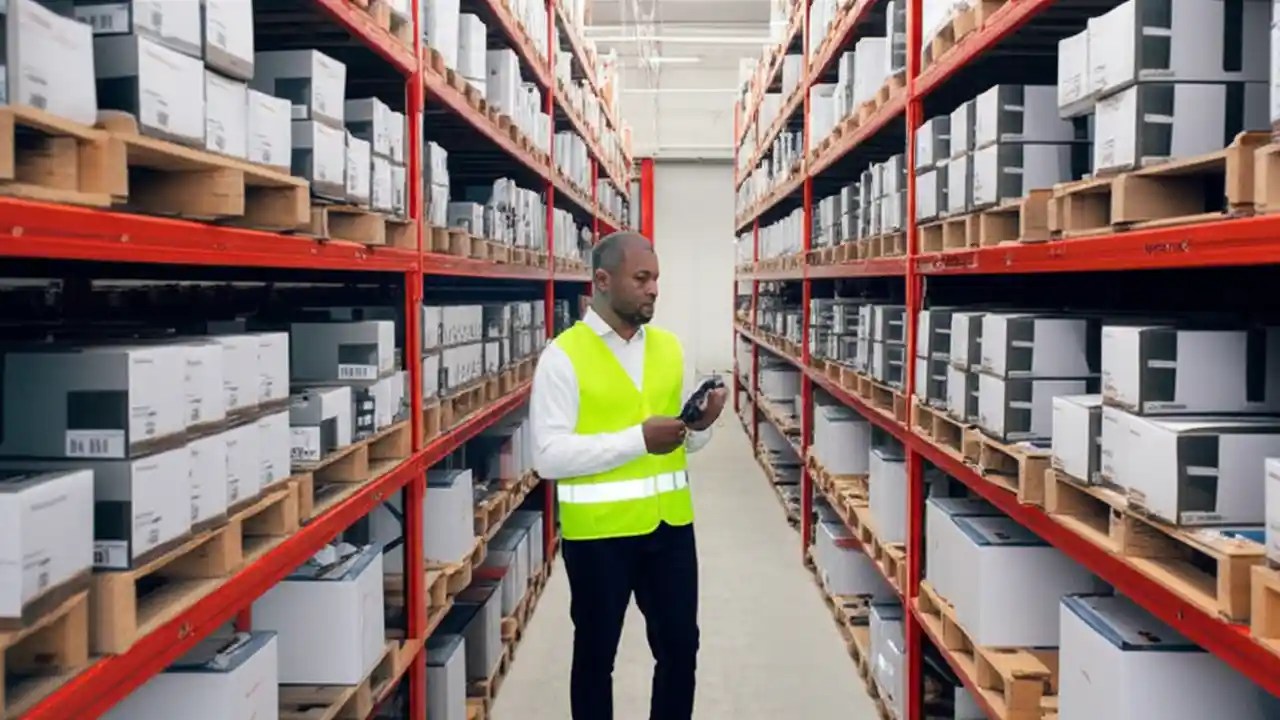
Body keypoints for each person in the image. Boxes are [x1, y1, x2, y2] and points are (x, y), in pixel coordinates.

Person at [530, 230, 727, 720]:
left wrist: (698, 426)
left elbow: (679, 439)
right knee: (596, 657)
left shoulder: (668, 348)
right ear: (602, 280)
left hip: (670, 529)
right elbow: (548, 457)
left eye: (656, 278)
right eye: (641, 278)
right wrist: (638, 439)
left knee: (681, 649)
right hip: (600, 537)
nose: (654, 288)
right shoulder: (562, 357)